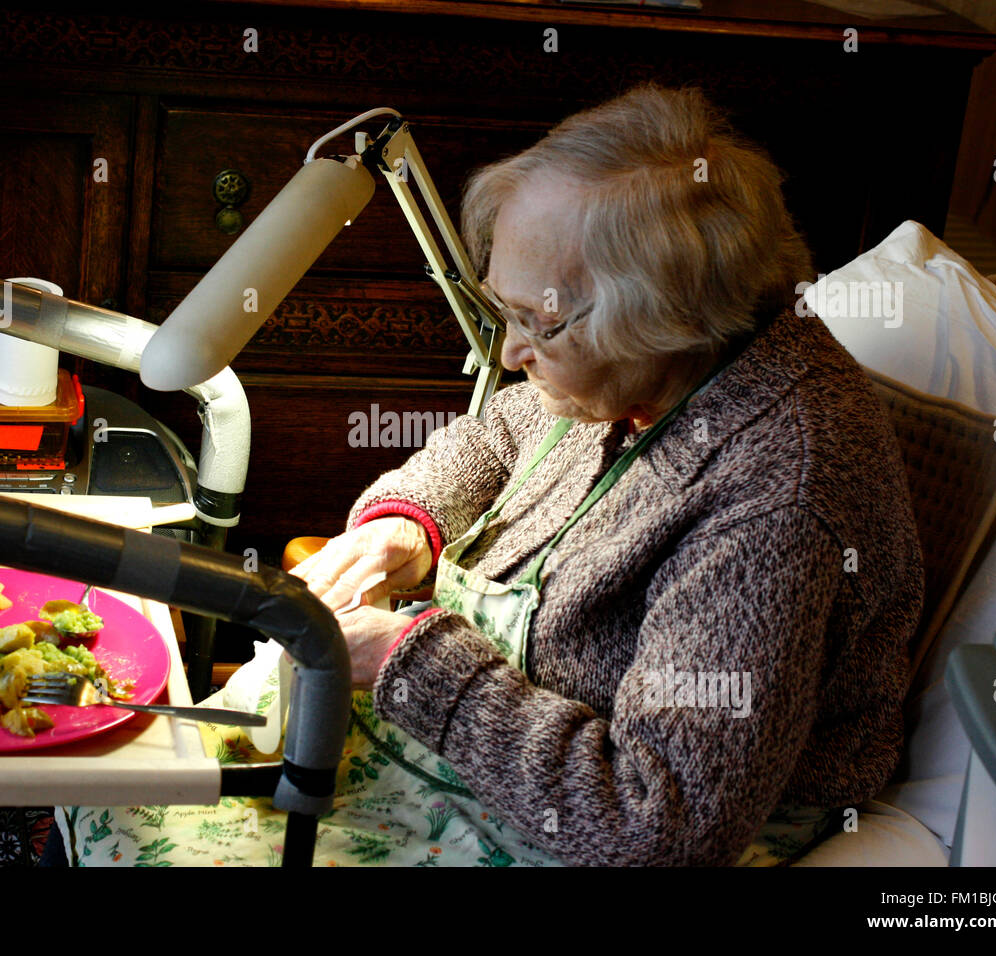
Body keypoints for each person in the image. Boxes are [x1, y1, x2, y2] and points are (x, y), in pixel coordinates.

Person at [60, 84, 923, 867]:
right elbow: (511, 428)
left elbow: (657, 826)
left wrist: (409, 657)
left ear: (657, 325)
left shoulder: (777, 506)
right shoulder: (647, 370)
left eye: (533, 326)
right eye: (501, 312)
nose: (509, 355)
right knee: (114, 778)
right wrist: (408, 522)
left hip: (592, 821)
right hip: (490, 733)